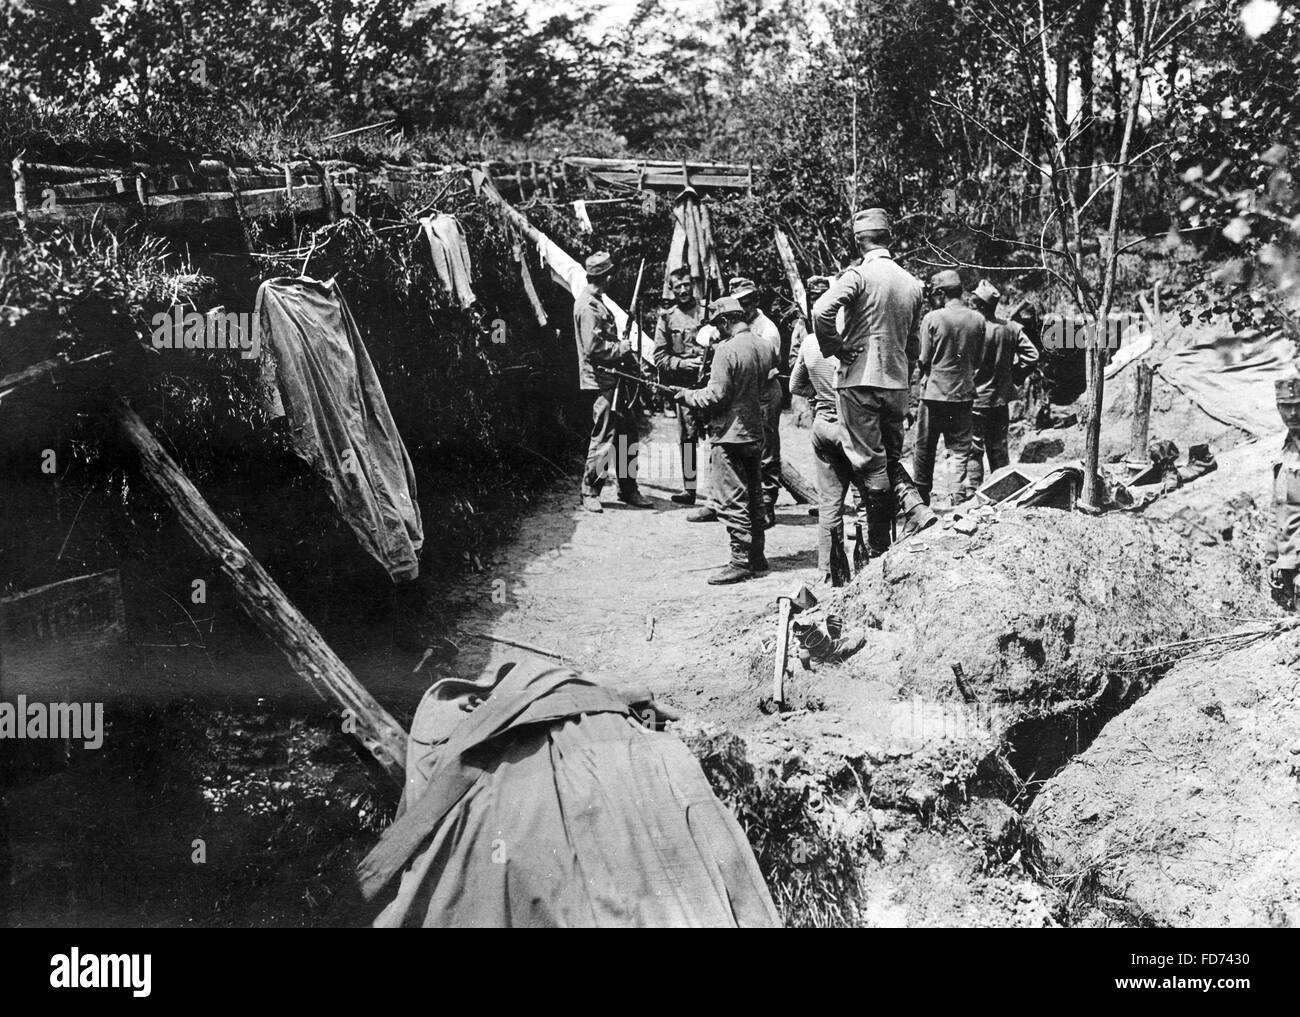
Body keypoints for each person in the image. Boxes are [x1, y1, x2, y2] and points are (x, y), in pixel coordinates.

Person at [812, 208, 935, 557]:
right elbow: (913, 343)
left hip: (860, 380)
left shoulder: (858, 275)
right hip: (896, 382)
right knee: (890, 460)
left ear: (857, 241)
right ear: (889, 238)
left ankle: (880, 549)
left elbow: (820, 311)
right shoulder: (911, 282)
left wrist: (837, 347)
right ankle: (915, 512)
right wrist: (904, 374)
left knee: (870, 466)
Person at [673, 296, 774, 584]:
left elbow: (716, 395)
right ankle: (757, 555)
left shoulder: (726, 350)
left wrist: (687, 395)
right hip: (755, 432)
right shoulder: (764, 346)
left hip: (729, 436)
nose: (718, 331)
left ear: (726, 321)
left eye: (719, 325)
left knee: (732, 499)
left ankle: (740, 561)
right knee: (754, 496)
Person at [790, 276, 867, 584]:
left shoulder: (810, 342)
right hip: (853, 427)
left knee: (829, 504)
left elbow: (795, 386)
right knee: (864, 501)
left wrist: (819, 394)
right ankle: (867, 571)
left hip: (823, 424)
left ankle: (828, 571)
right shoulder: (854, 341)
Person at [573, 251, 653, 513]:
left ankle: (628, 489)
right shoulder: (588, 306)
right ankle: (590, 491)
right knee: (604, 438)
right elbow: (593, 347)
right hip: (601, 381)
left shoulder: (598, 302)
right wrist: (622, 348)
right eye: (610, 274)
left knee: (628, 435)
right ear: (605, 277)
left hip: (614, 379)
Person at [913, 269, 983, 505]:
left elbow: (923, 359)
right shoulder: (978, 319)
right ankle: (957, 498)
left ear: (941, 293)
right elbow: (978, 360)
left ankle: (921, 501)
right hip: (963, 393)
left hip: (933, 394)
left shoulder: (932, 318)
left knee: (925, 448)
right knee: (960, 449)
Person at [967, 279, 1040, 492]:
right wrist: (1014, 376)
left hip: (974, 399)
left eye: (973, 301)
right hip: (1000, 399)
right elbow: (1032, 356)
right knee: (998, 448)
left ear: (979, 305)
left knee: (974, 449)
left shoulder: (969, 329)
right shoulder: (1011, 328)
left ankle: (972, 494)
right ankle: (1002, 493)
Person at [730, 276, 782, 528]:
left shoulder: (766, 329)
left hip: (764, 391)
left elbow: (766, 365)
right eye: (739, 303)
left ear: (755, 301)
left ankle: (767, 504)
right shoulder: (734, 326)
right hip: (741, 393)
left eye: (747, 302)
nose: (744, 307)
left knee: (766, 449)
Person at [653, 265, 707, 505]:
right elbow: (659, 356)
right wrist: (681, 364)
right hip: (684, 387)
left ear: (693, 285)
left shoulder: (707, 311)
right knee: (688, 439)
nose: (684, 290)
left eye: (687, 285)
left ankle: (721, 493)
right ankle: (690, 490)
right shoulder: (667, 317)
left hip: (710, 383)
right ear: (671, 289)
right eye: (678, 287)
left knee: (719, 437)